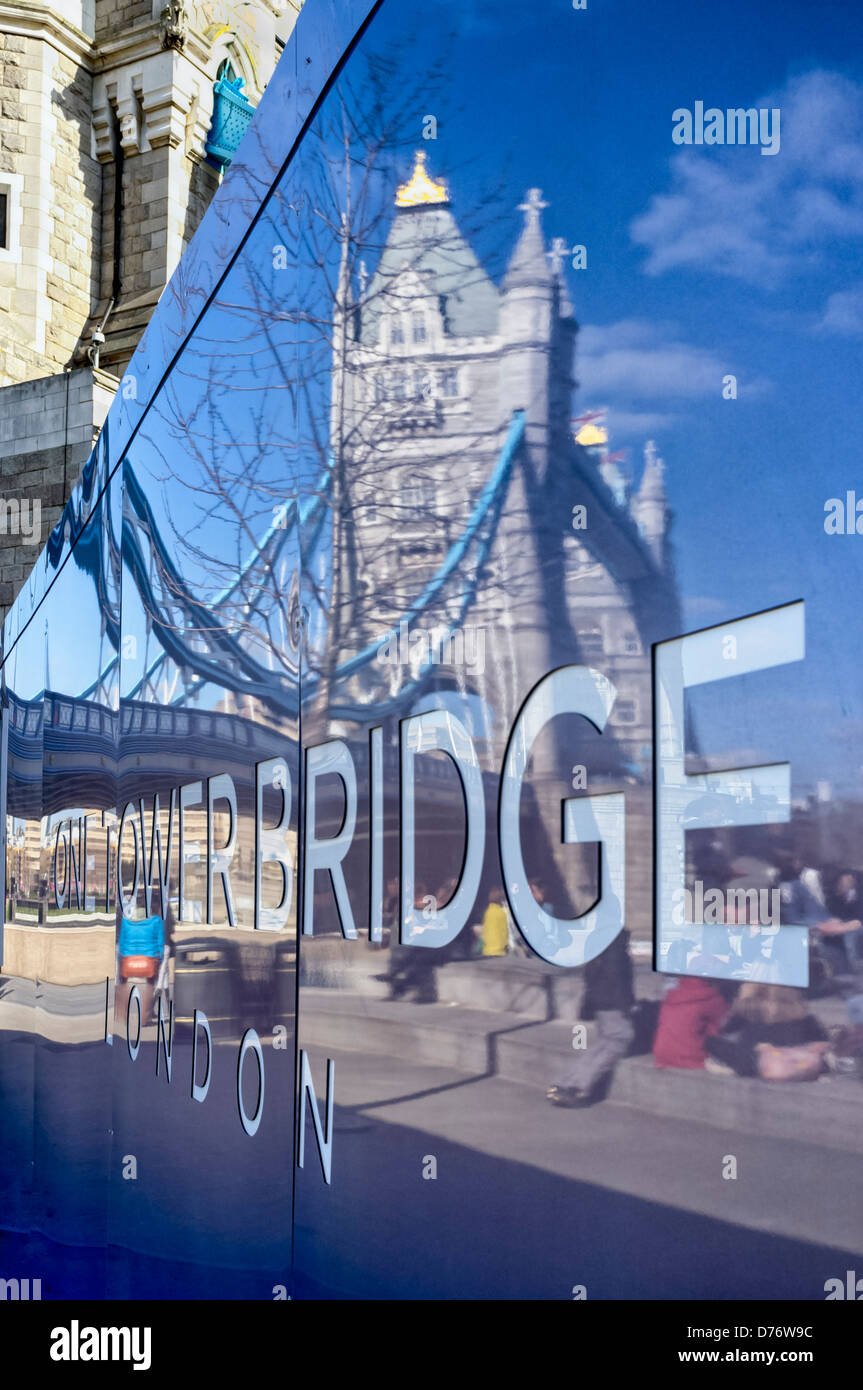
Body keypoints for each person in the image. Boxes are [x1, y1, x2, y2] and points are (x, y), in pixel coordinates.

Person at [547, 914, 635, 1108]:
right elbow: (616, 978)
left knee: (605, 1042)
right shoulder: (616, 946)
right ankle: (578, 1087)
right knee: (620, 1039)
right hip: (612, 1003)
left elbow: (590, 976)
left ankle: (564, 1082)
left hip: (598, 1003)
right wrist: (626, 1006)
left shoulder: (596, 945)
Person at [705, 983, 828, 1079]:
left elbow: (726, 1030)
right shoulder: (807, 1020)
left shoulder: (753, 1019)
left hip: (760, 1060)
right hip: (794, 1062)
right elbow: (823, 1043)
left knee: (714, 1043)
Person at [475, 886, 509, 957]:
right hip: (500, 953)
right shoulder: (502, 911)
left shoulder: (488, 910)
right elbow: (504, 933)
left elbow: (484, 934)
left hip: (488, 953)